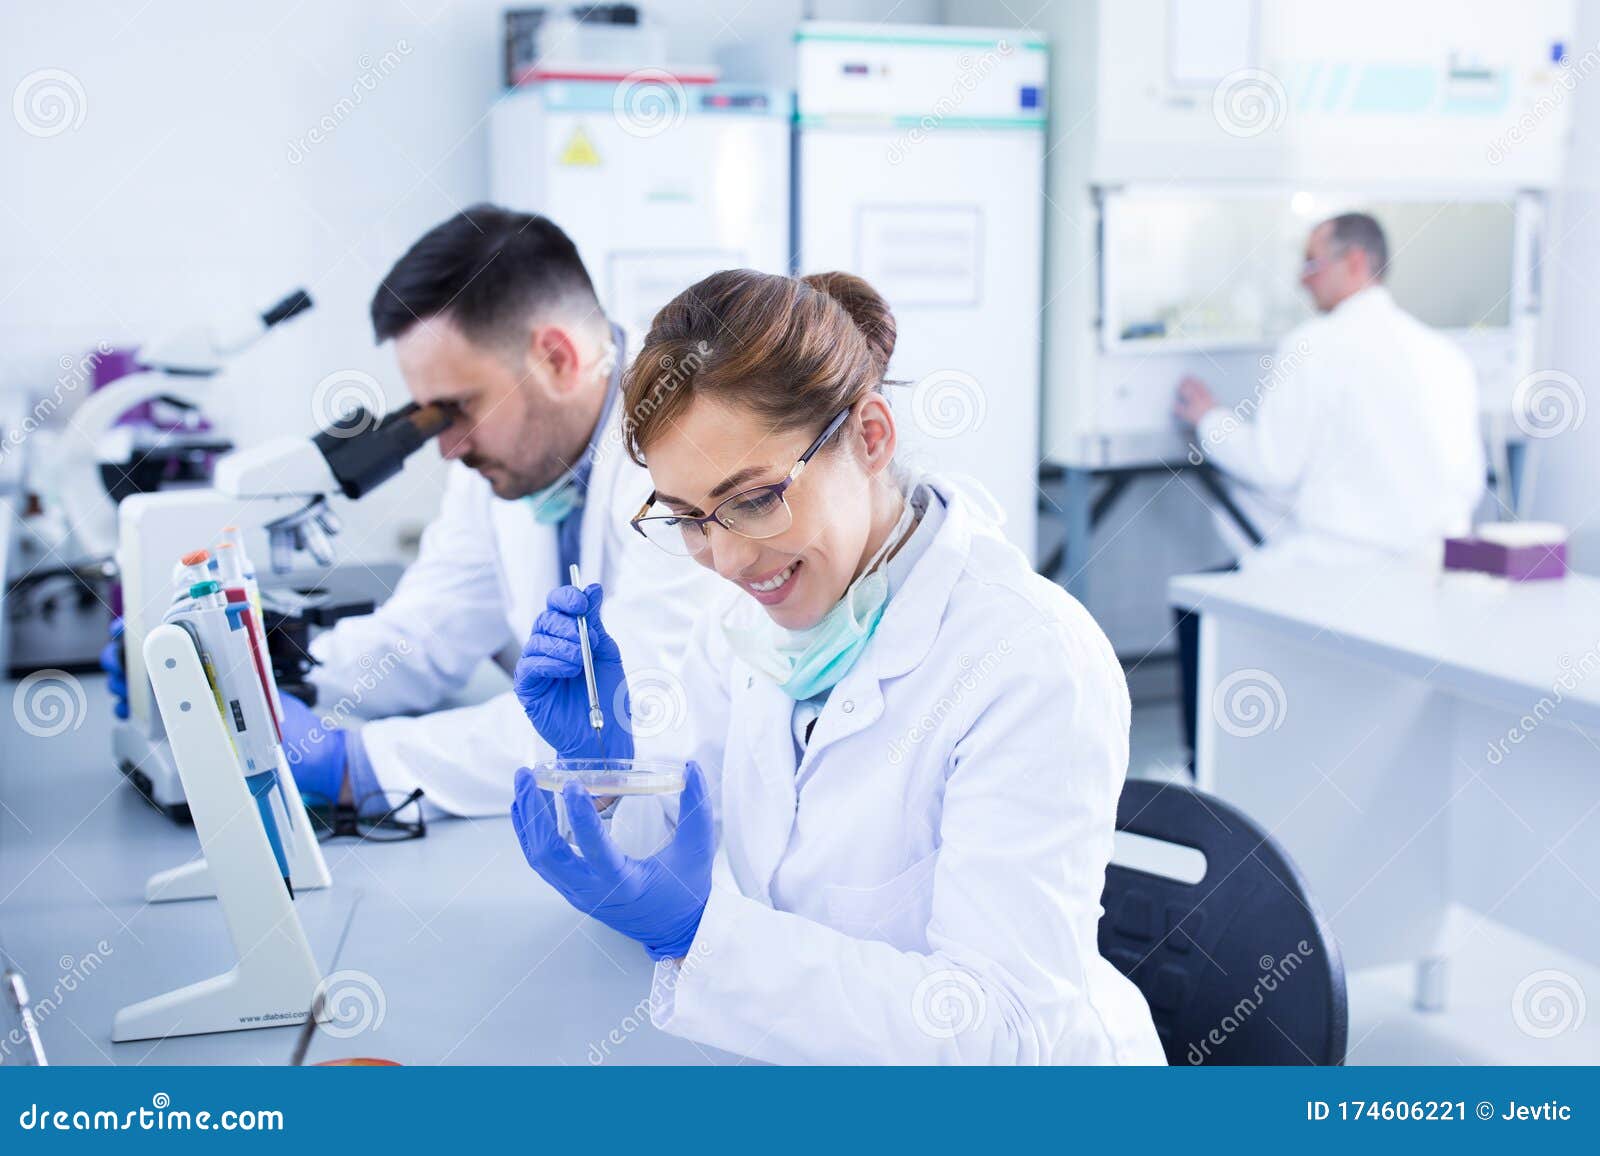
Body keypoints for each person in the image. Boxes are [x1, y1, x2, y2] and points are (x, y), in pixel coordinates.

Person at [509, 269, 1166, 1064]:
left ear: (871, 436)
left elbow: (1003, 1033)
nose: (727, 558)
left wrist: (699, 937)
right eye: (687, 519)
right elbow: (682, 853)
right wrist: (609, 776)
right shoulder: (740, 628)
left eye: (754, 499)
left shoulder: (1026, 661)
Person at [105, 205, 717, 816]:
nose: (448, 448)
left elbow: (625, 715)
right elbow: (429, 628)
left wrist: (353, 764)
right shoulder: (508, 451)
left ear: (557, 358)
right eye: (431, 415)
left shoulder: (687, 450)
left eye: (457, 407)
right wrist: (269, 679)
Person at [1170, 211, 1485, 759]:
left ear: (1357, 262)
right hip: (1432, 575)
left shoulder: (1314, 344)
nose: (1302, 278)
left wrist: (1208, 418)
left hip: (1337, 572)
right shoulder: (1444, 354)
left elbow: (1272, 466)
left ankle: (1208, 776)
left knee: (1198, 604)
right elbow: (1469, 482)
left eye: (1313, 262)